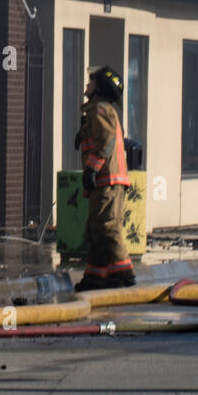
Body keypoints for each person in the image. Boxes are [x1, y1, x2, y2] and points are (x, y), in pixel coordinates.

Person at [75, 66, 136, 291]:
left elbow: (107, 140)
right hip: (105, 181)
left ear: (99, 88)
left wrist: (92, 169)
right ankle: (97, 275)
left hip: (107, 180)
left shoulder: (99, 109)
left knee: (108, 227)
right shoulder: (98, 110)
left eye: (91, 82)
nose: (86, 85)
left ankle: (124, 272)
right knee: (96, 229)